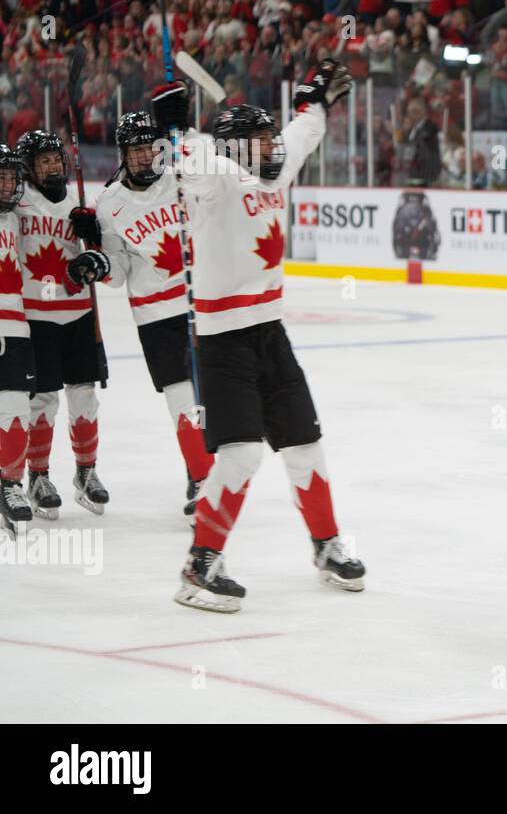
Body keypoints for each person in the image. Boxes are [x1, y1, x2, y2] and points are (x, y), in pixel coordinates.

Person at [149, 61, 366, 613]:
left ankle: (326, 546)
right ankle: (200, 566)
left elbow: (303, 134)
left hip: (270, 334)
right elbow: (191, 162)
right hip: (222, 343)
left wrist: (314, 98)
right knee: (242, 454)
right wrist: (174, 128)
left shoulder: (271, 168)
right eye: (261, 139)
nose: (273, 147)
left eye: (272, 138)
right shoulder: (217, 180)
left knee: (304, 444)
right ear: (234, 148)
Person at [65, 112, 213, 522]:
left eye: (151, 147)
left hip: (199, 305)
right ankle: (203, 480)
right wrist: (96, 258)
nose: (146, 156)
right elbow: (119, 270)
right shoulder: (110, 203)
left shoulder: (183, 180)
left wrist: (182, 124)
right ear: (123, 154)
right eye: (136, 150)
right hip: (155, 317)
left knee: (209, 398)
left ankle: (201, 472)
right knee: (182, 401)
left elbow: (217, 169)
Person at [14, 129, 109, 520]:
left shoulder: (77, 204)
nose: (53, 166)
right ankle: (38, 477)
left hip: (78, 317)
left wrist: (94, 241)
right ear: (29, 170)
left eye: (56, 159)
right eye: (44, 161)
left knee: (84, 395)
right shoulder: (17, 205)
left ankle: (86, 472)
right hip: (38, 319)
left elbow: (102, 264)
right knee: (43, 400)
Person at [0, 145, 34, 535]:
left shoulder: (16, 220)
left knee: (15, 410)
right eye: (2, 177)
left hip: (16, 326)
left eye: (12, 177)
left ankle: (11, 484)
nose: (9, 185)